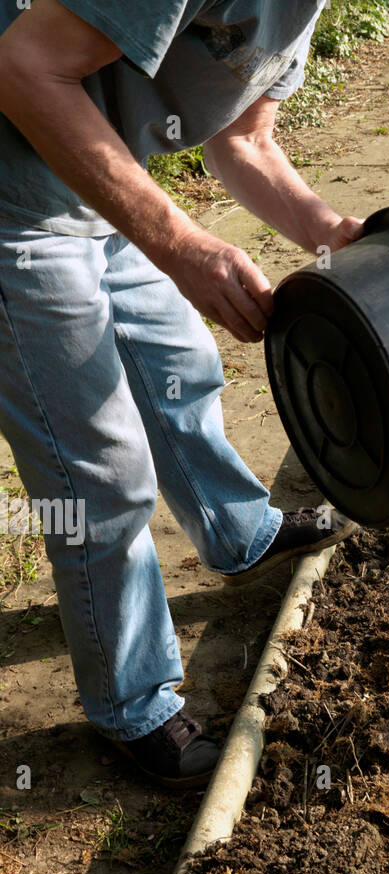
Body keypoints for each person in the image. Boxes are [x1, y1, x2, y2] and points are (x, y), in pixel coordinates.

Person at [0, 0, 362, 788]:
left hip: (87, 191)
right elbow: (22, 68)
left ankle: (238, 533)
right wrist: (180, 242)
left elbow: (245, 140)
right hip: (11, 207)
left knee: (181, 367)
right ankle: (131, 705)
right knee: (99, 471)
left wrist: (331, 231)